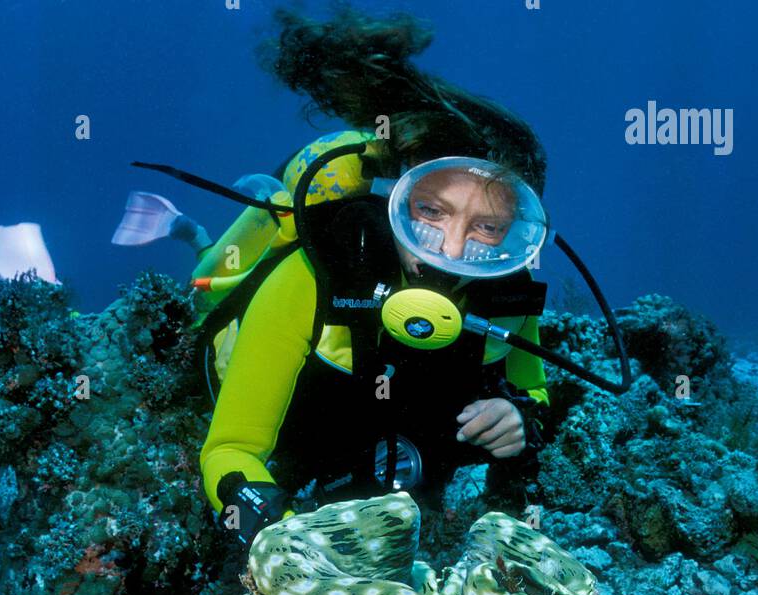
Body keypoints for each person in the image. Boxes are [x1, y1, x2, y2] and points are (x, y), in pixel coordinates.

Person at [194, 8, 553, 547]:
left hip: (381, 444)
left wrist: (519, 417)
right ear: (399, 198)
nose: (449, 251)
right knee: (205, 277)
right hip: (299, 433)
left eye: (486, 227)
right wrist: (277, 538)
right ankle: (212, 230)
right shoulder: (315, 277)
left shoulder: (509, 295)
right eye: (431, 213)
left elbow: (535, 391)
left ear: (515, 233)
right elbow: (228, 451)